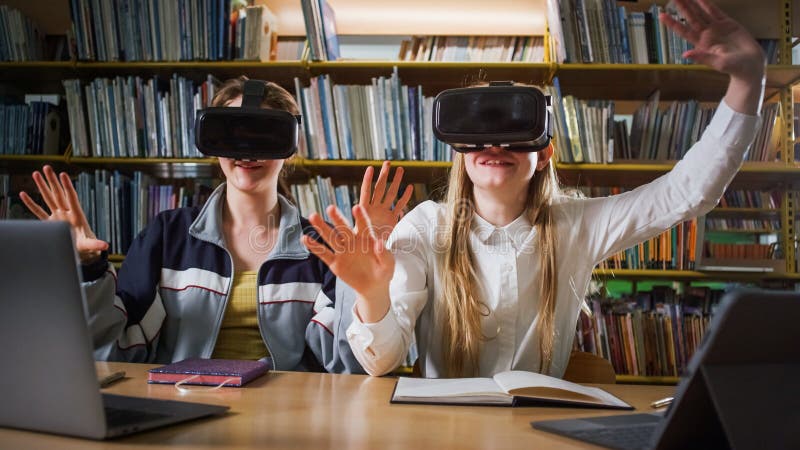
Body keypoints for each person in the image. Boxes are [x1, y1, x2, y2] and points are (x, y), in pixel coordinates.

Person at [302, 0, 767, 378]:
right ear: (459, 150)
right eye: (479, 133)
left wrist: (748, 80)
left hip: (539, 424)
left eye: (514, 130)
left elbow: (686, 193)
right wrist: (372, 293)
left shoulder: (576, 225)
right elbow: (378, 363)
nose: (495, 145)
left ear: (543, 152)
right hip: (444, 431)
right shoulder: (425, 227)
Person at [19, 77, 413, 372]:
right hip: (181, 409)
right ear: (210, 142)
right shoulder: (166, 236)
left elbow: (350, 366)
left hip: (291, 418)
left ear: (289, 147)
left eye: (264, 134)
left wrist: (369, 290)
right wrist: (88, 272)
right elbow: (112, 352)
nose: (248, 151)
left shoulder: (325, 249)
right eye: (232, 133)